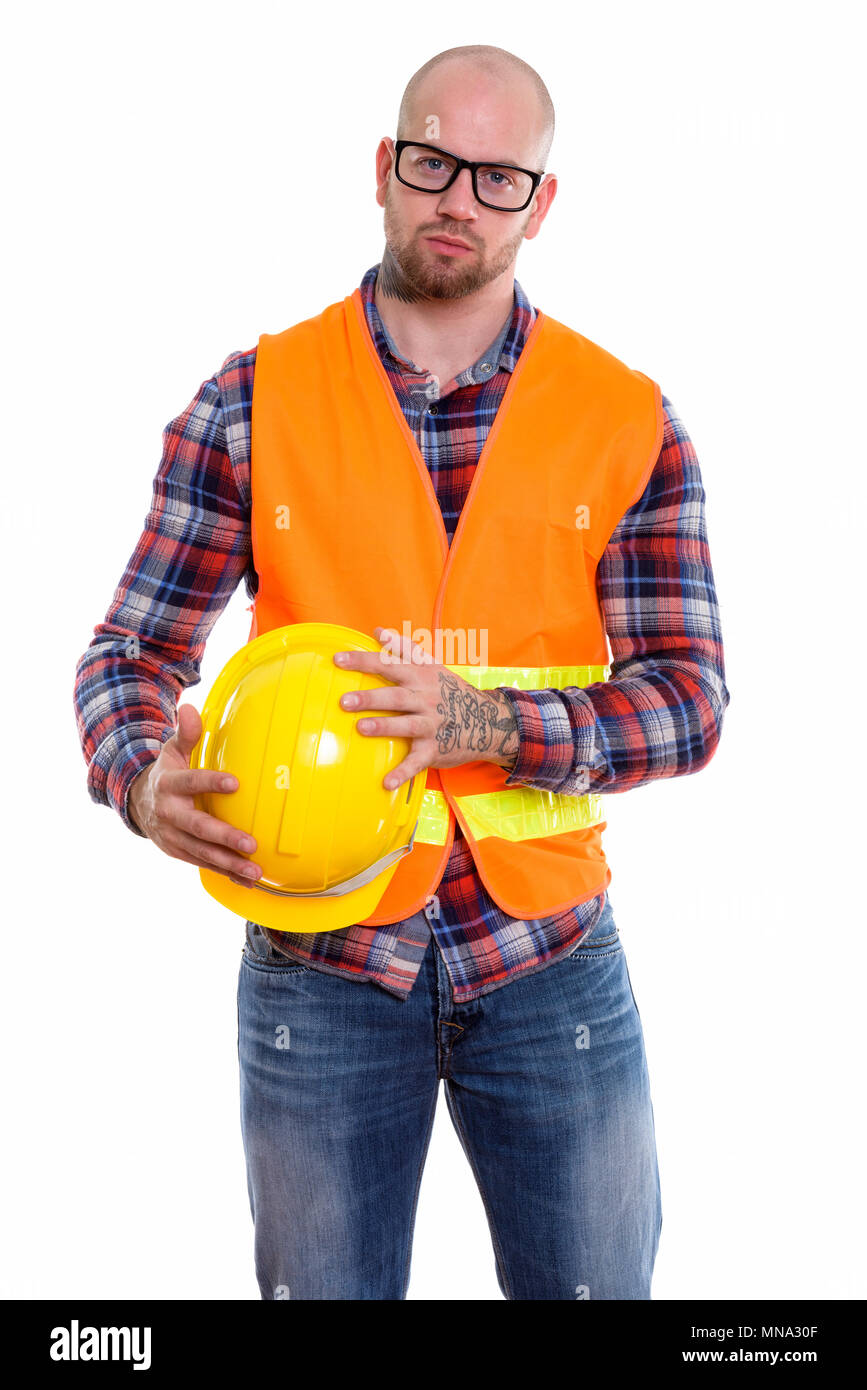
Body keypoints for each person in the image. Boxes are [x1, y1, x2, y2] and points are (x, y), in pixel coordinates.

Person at [73, 43, 730, 1300]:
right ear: (386, 167)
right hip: (319, 964)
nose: (458, 198)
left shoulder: (625, 416)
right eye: (433, 161)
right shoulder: (252, 400)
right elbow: (134, 651)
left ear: (542, 204)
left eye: (498, 177)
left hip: (546, 953)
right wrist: (140, 776)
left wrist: (498, 721)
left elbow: (690, 698)